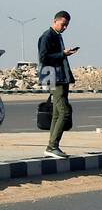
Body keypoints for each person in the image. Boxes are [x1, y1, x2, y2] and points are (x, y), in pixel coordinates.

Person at [37, 11, 79, 158]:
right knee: (64, 112)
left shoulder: (57, 36)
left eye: (67, 25)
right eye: (63, 24)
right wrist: (63, 54)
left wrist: (65, 54)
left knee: (56, 113)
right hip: (54, 78)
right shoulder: (47, 36)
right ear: (55, 21)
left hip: (61, 77)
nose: (65, 28)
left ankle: (51, 146)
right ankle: (52, 146)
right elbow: (44, 57)